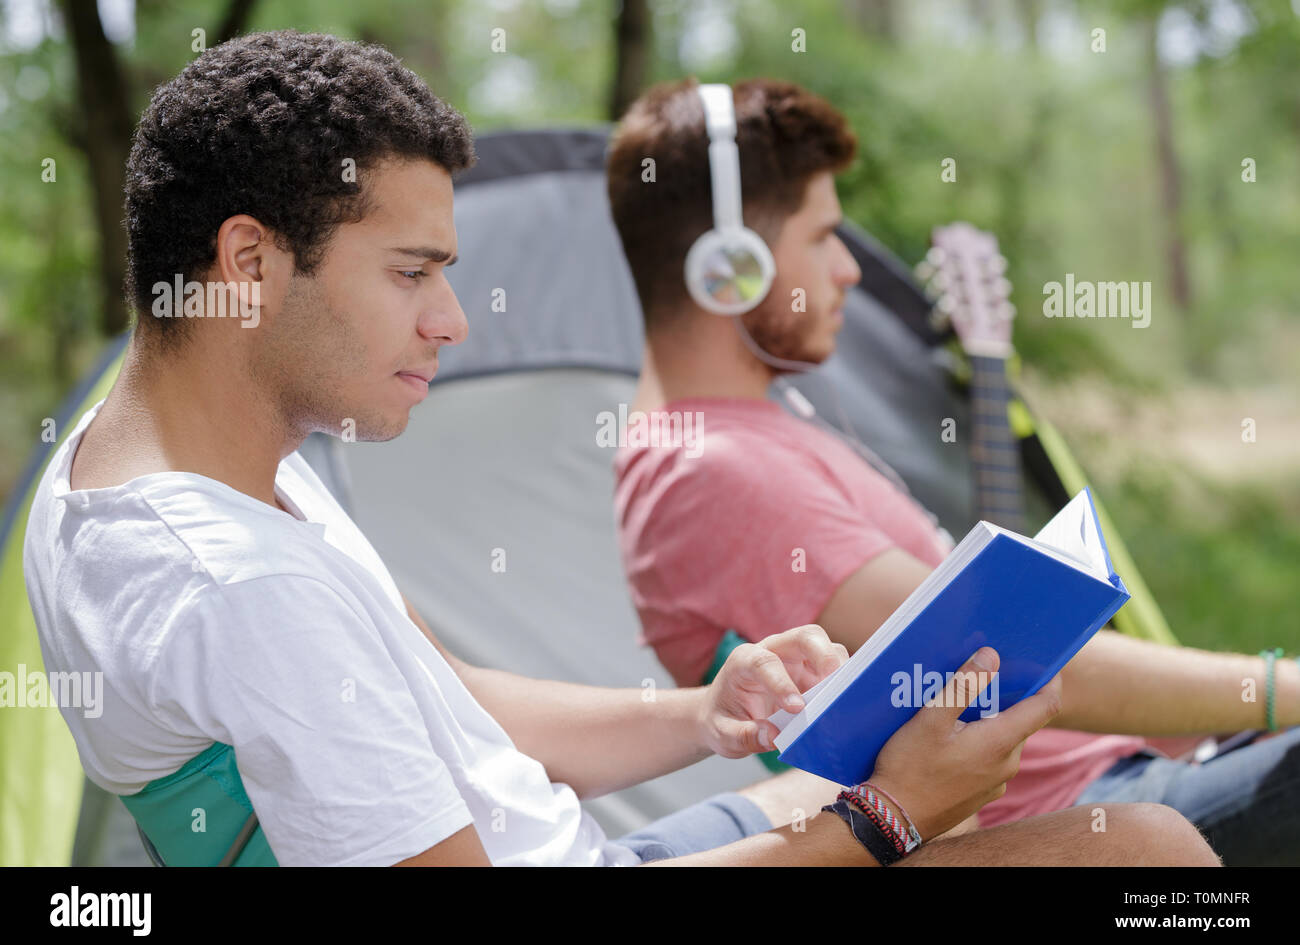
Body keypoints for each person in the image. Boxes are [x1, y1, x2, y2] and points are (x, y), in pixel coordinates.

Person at [24, 31, 1217, 867]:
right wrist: (888, 819)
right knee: (1148, 850)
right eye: (411, 273)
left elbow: (454, 702)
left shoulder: (157, 474)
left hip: (592, 843)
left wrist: (703, 714)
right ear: (247, 264)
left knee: (840, 768)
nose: (451, 319)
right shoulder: (237, 588)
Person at [607, 77, 1300, 865]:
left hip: (1111, 778)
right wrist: (1279, 686)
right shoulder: (714, 473)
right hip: (1065, 817)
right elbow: (1003, 661)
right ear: (731, 267)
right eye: (822, 235)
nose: (849, 271)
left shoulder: (744, 439)